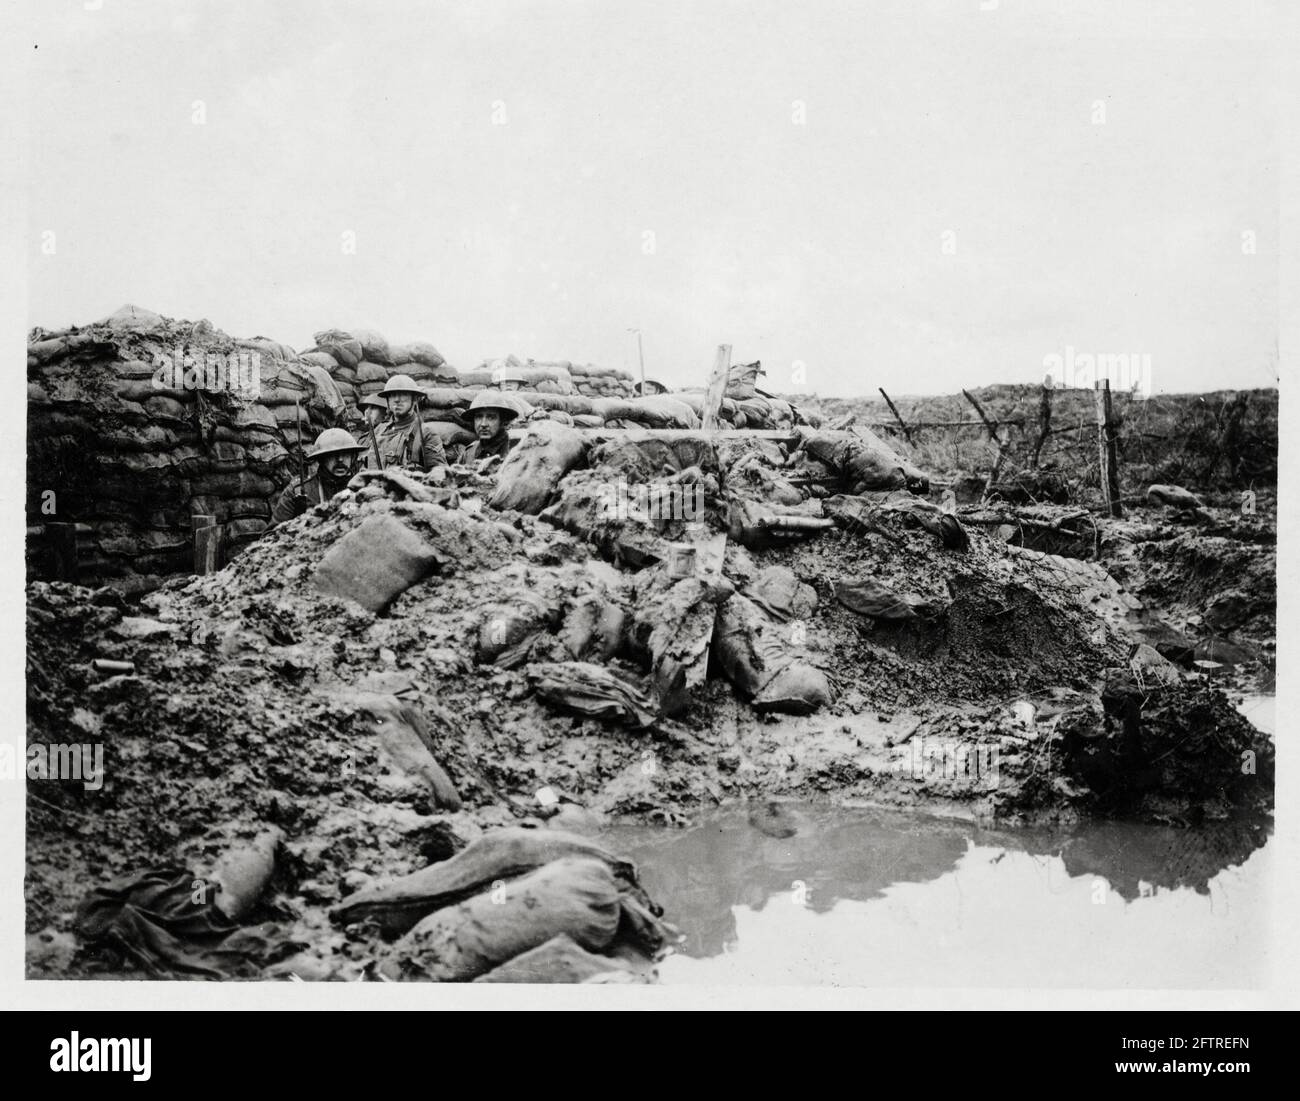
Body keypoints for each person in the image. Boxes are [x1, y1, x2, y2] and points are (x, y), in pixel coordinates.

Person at [268, 428, 366, 526]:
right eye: (332, 455)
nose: (340, 459)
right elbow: (271, 535)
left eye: (346, 454)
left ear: (353, 457)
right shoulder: (298, 492)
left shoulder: (363, 489)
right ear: (321, 459)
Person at [370, 374, 447, 472]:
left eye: (403, 394)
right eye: (393, 395)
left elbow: (439, 473)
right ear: (388, 400)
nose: (397, 400)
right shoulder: (379, 431)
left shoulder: (425, 433)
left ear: (414, 400)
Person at [461, 391, 519, 464]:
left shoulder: (515, 452)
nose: (483, 424)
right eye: (479, 417)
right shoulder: (469, 453)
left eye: (491, 417)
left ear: (502, 421)